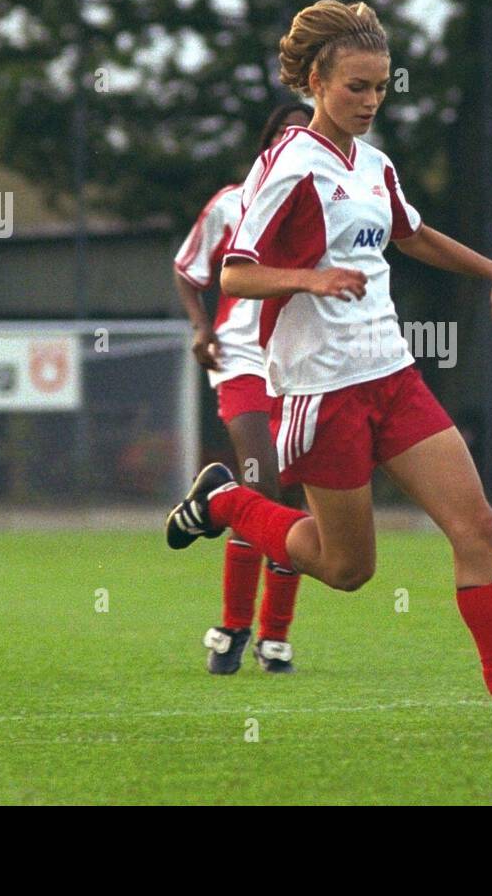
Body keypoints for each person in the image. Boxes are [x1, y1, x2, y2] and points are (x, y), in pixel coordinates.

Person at [166, 0, 492, 735]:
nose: (370, 102)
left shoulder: (373, 163)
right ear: (314, 81)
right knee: (346, 570)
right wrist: (309, 279)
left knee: (477, 527)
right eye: (356, 87)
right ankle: (227, 504)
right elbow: (236, 275)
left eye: (382, 87)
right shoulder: (285, 167)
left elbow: (414, 233)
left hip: (392, 377)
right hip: (320, 392)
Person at [172, 102, 312, 675]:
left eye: (304, 134)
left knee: (295, 499)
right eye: (284, 133)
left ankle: (274, 637)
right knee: (262, 482)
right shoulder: (234, 201)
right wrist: (201, 326)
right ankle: (232, 627)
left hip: (303, 361)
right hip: (242, 356)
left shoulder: (331, 203)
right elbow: (188, 270)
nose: (295, 142)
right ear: (266, 142)